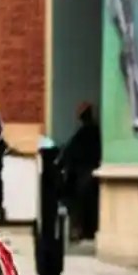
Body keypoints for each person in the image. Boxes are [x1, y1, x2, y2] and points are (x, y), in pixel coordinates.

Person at [57, 102, 102, 241]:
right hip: (87, 173)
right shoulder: (92, 131)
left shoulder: (85, 133)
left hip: (82, 174)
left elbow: (70, 152)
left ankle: (79, 229)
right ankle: (83, 229)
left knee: (76, 203)